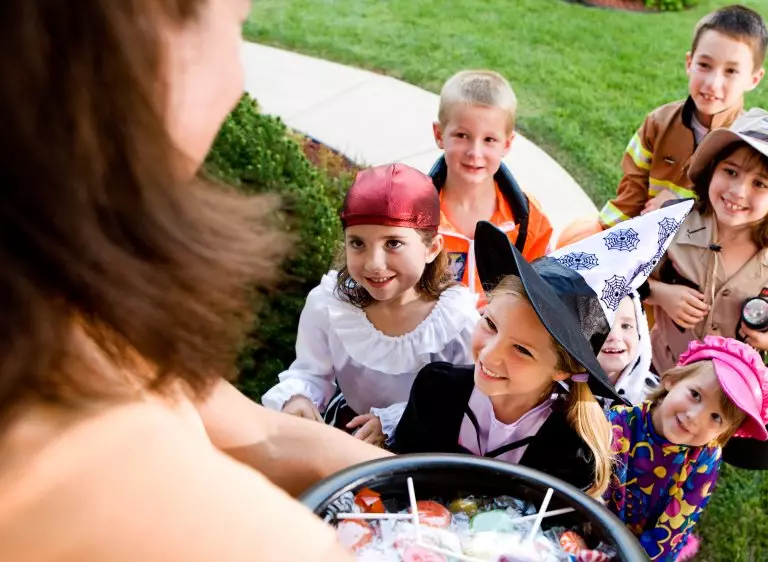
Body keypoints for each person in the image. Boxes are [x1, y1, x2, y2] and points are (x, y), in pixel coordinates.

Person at [0, 1, 388, 559]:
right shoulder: (116, 485)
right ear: (142, 44)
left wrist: (431, 487)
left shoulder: (59, 291)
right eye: (236, 22)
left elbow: (263, 434)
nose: (237, 79)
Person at [392, 202, 692, 498]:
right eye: (491, 324)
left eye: (522, 349)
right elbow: (397, 484)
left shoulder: (572, 453)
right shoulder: (436, 390)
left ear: (564, 368)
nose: (491, 354)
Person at [262, 163, 479, 445]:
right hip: (349, 432)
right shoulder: (329, 304)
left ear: (431, 248)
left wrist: (397, 419)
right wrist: (298, 397)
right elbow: (310, 371)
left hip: (424, 447)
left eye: (393, 243)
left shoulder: (456, 320)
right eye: (357, 243)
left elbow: (468, 401)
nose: (374, 264)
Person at [556, 4, 768, 247]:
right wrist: (608, 235)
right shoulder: (658, 123)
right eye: (704, 65)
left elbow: (737, 214)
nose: (712, 83)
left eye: (731, 71)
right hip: (645, 234)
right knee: (575, 242)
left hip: (698, 253)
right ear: (689, 63)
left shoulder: (747, 144)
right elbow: (633, 185)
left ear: (753, 78)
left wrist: (674, 207)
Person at [645, 109, 768, 372]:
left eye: (760, 184)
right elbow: (622, 276)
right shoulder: (672, 221)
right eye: (731, 172)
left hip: (725, 390)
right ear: (712, 168)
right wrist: (661, 294)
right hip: (658, 365)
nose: (737, 192)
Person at [605, 336, 768, 561]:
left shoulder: (705, 458)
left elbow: (674, 528)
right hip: (597, 525)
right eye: (695, 394)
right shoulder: (618, 424)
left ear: (724, 433)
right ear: (673, 380)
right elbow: (590, 489)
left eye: (716, 417)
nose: (694, 418)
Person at [427, 70, 554, 309]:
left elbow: (543, 290)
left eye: (489, 140)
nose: (475, 152)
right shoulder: (413, 215)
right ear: (439, 134)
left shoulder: (527, 221)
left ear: (507, 144)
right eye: (462, 135)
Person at [598, 289, 659, 406]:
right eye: (601, 325)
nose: (614, 336)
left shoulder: (654, 398)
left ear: (641, 334)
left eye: (626, 326)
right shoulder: (555, 395)